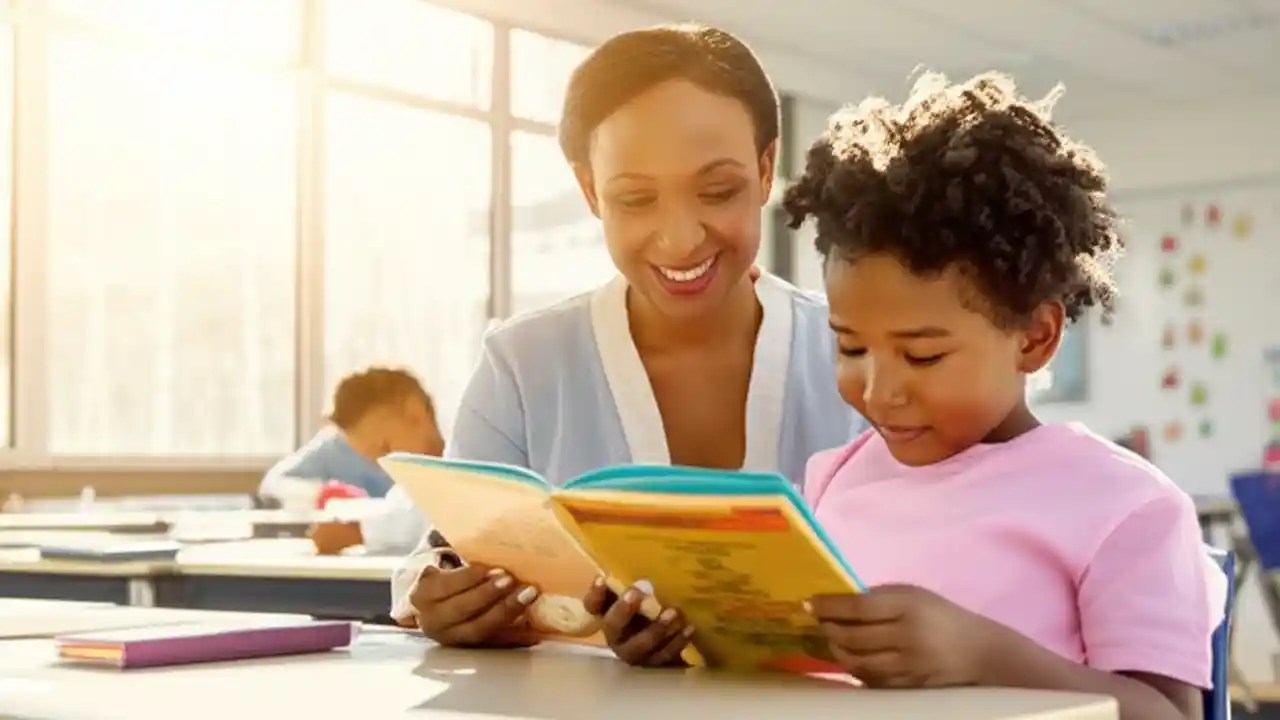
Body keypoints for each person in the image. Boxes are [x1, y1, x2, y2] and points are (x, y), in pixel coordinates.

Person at [392, 24, 864, 652]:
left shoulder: (858, 352)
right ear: (591, 191)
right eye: (636, 199)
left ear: (764, 167)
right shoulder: (523, 366)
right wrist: (447, 600)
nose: (680, 238)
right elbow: (439, 556)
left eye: (717, 191)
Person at [771, 71, 1224, 718]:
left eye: (922, 355)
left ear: (1035, 337)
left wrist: (985, 657)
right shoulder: (833, 480)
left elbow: (1169, 714)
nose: (878, 391)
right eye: (850, 347)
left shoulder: (1125, 507)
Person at [261, 367, 444, 555]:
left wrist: (357, 532)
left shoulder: (459, 457)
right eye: (374, 460)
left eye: (385, 447)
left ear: (415, 411)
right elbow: (399, 510)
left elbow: (434, 520)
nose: (384, 468)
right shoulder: (413, 482)